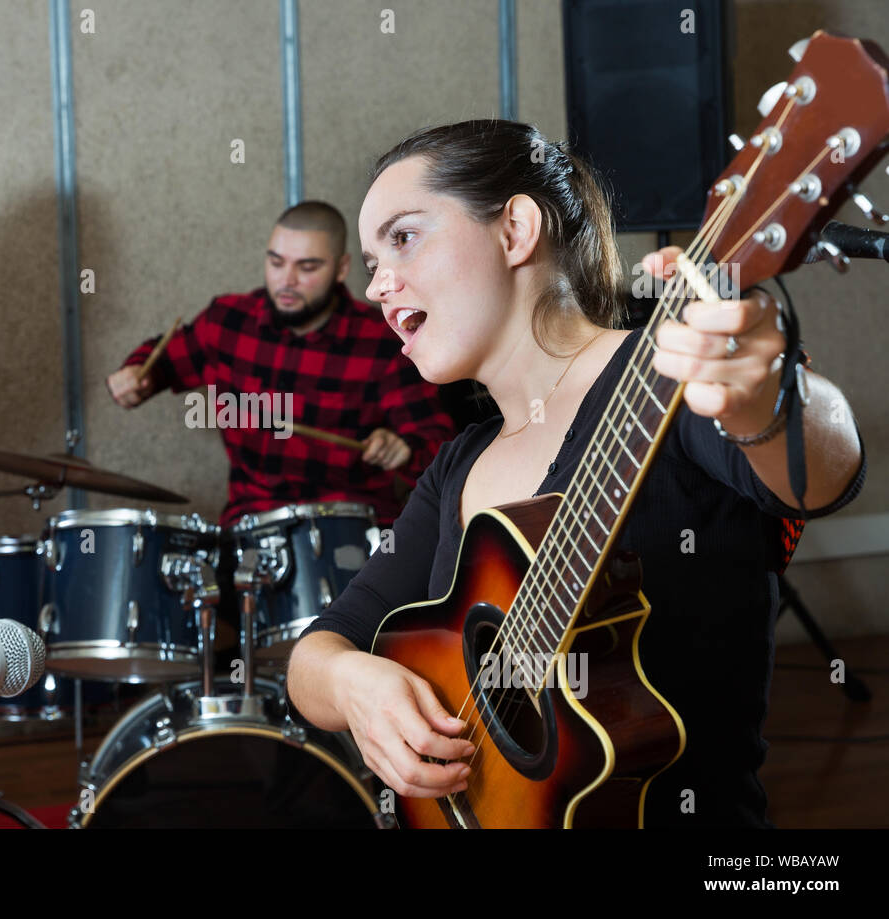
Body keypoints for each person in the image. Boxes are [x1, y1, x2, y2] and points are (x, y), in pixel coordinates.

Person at [286, 120, 867, 828]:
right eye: (373, 260)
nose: (379, 286)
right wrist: (353, 684)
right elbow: (316, 652)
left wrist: (770, 399)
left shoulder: (673, 378)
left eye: (402, 238)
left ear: (515, 230)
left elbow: (819, 476)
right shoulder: (457, 465)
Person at [105, 200, 454, 527]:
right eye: (276, 262)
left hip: (352, 524)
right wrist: (136, 374)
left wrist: (403, 450)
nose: (286, 280)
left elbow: (438, 447)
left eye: (307, 267)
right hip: (250, 522)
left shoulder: (382, 341)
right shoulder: (227, 321)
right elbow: (161, 361)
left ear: (341, 268)